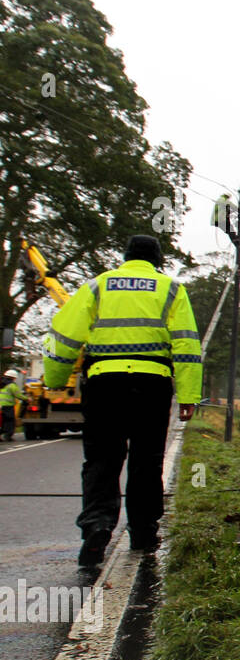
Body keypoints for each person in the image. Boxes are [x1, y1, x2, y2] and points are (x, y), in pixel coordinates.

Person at [43, 235, 202, 571]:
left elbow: (64, 334)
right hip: (151, 385)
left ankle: (97, 526)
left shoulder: (98, 286)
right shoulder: (171, 290)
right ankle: (143, 533)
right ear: (157, 261)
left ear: (125, 257)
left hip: (104, 384)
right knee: (146, 461)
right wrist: (188, 397)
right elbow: (187, 347)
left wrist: (56, 380)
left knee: (101, 459)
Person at [0, 369, 26, 441]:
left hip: (0, 406)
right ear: (13, 377)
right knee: (10, 421)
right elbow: (18, 395)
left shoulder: (1, 383)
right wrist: (26, 398)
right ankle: (8, 436)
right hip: (7, 406)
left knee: (1, 421)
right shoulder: (11, 385)